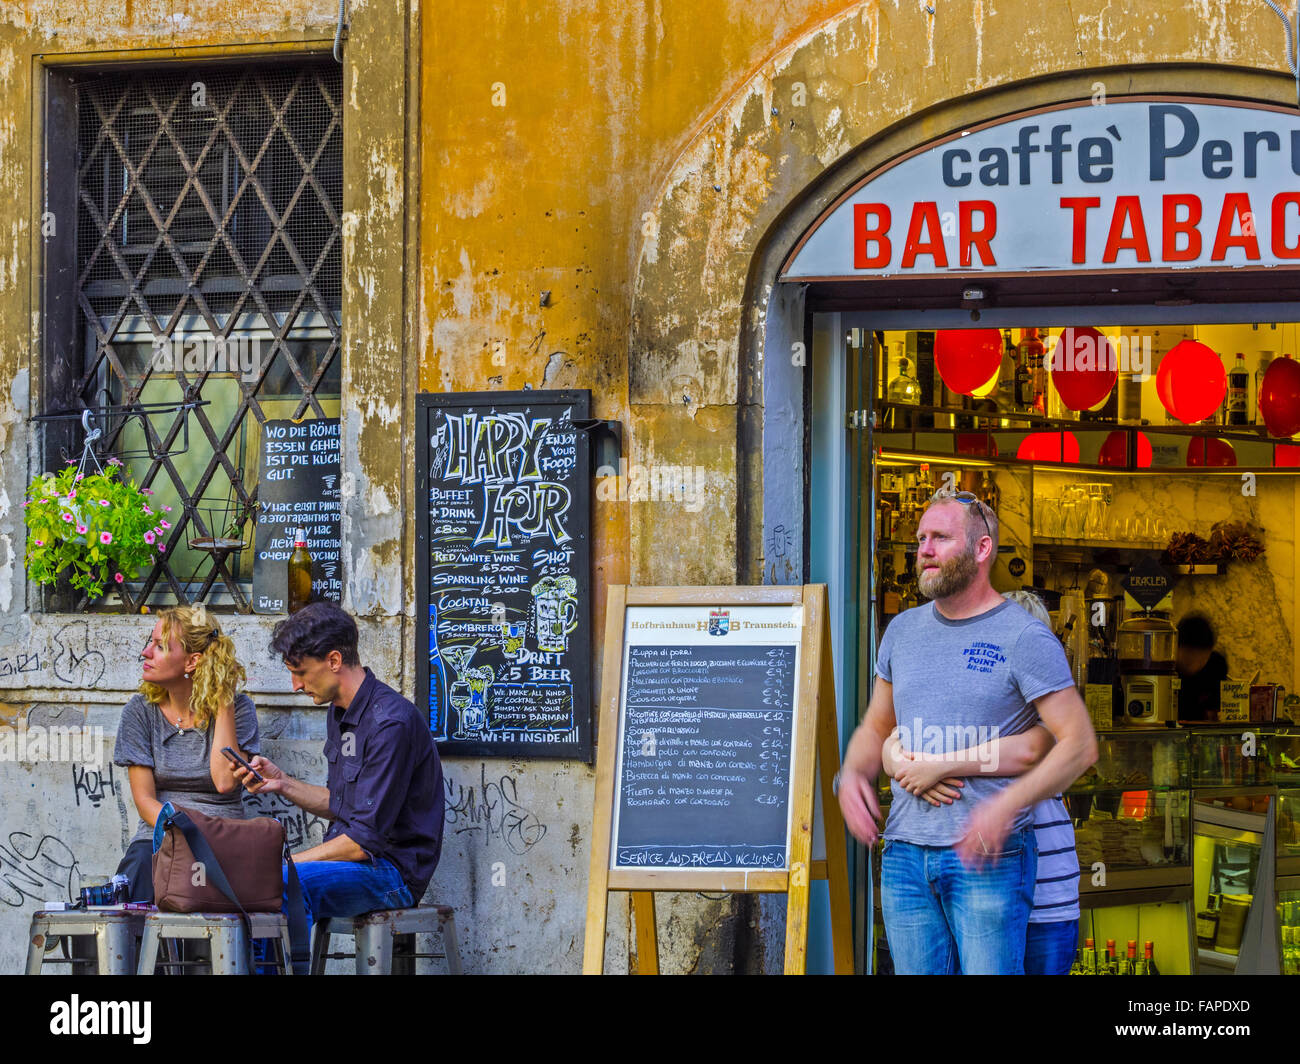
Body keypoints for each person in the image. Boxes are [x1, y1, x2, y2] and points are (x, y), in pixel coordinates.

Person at [837, 488, 1097, 974]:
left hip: (987, 857)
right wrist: (854, 772)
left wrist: (1006, 805)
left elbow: (1077, 744)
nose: (924, 551)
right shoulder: (902, 631)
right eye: (920, 539)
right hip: (905, 854)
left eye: (940, 538)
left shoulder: (1024, 636)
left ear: (982, 549)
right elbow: (877, 724)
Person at [231, 602, 444, 948]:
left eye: (300, 672)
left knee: (278, 882)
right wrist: (282, 783)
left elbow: (363, 842)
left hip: (392, 874)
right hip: (362, 862)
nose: (295, 685)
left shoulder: (390, 723)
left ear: (333, 661)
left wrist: (285, 862)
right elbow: (343, 805)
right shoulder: (340, 711)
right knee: (254, 882)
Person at [112, 604, 259, 902]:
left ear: (193, 662)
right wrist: (184, 832)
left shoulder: (239, 710)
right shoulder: (139, 712)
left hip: (222, 839)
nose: (145, 653)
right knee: (137, 872)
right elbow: (144, 801)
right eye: (150, 643)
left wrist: (223, 699)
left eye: (160, 646)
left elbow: (224, 783)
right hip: (160, 837)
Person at [1176, 612, 1229, 722]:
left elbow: (1216, 710)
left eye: (1201, 659)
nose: (1195, 663)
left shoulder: (1216, 665)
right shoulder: (1164, 669)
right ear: (1175, 647)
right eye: (1189, 656)